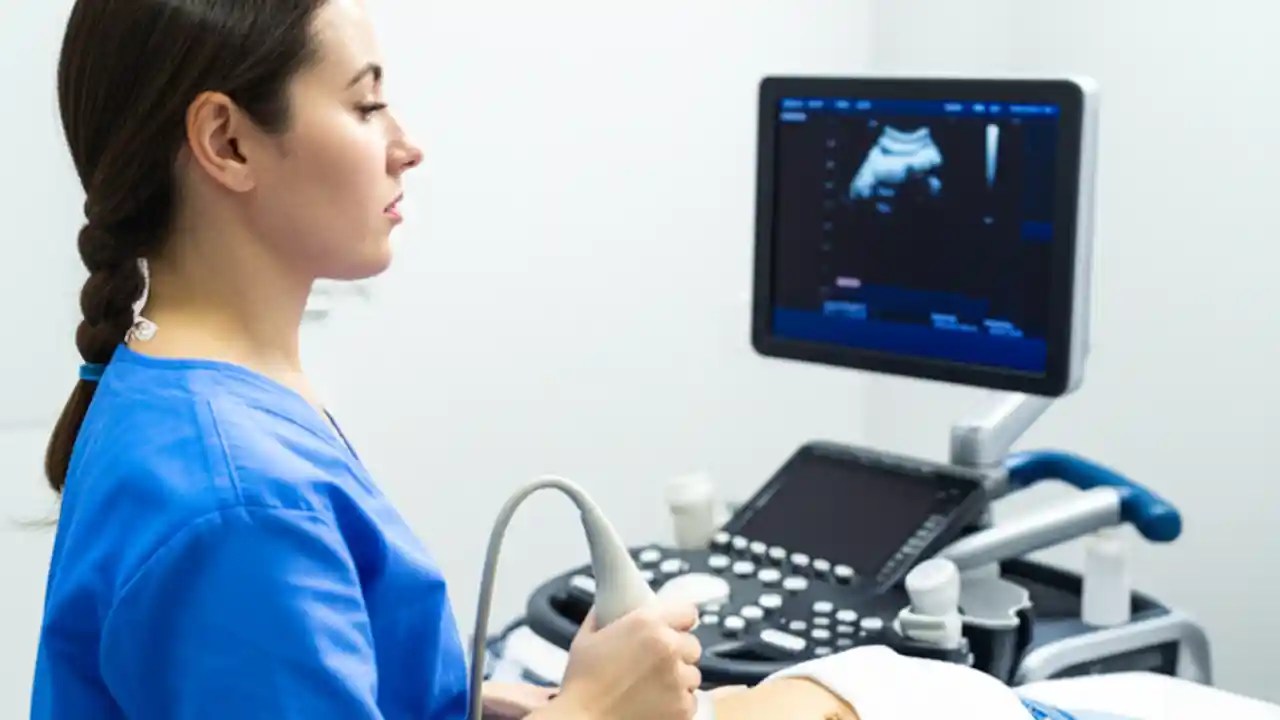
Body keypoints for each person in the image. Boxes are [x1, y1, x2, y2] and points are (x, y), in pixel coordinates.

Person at [30, 1, 1055, 719]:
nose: (406, 144)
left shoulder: (189, 404)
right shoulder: (235, 505)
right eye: (364, 102)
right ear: (229, 142)